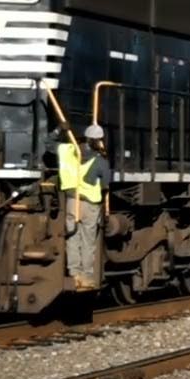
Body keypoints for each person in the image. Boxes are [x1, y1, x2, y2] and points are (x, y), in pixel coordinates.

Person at [56, 124, 111, 291]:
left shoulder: (68, 152)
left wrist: (59, 130)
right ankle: (87, 276)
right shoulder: (100, 160)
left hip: (73, 201)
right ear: (99, 140)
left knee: (72, 237)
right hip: (90, 204)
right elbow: (105, 184)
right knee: (88, 241)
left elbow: (48, 144)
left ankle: (74, 273)